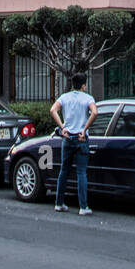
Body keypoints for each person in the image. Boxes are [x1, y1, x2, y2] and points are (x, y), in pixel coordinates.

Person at [50, 72, 97, 216]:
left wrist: (62, 127)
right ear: (83, 85)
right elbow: (95, 112)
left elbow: (53, 110)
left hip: (68, 137)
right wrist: (84, 129)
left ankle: (59, 203)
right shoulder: (88, 98)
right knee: (81, 172)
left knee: (64, 170)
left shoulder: (65, 97)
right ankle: (83, 207)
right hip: (81, 138)